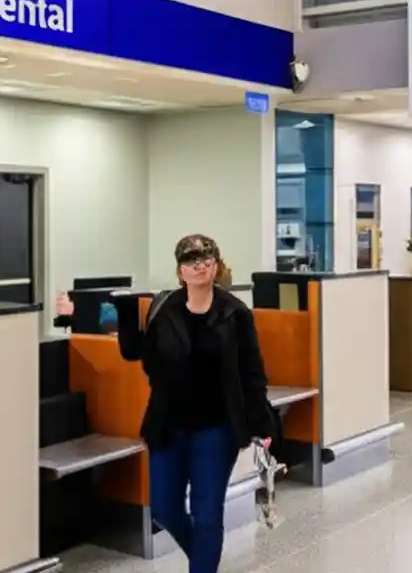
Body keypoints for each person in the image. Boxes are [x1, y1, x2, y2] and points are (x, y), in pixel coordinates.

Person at [118, 234, 275, 573]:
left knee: (206, 515)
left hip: (216, 430)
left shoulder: (235, 313)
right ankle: (204, 559)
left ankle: (203, 564)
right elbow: (145, 360)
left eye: (206, 259)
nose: (200, 265)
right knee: (163, 508)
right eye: (191, 261)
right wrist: (125, 318)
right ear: (181, 271)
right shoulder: (165, 308)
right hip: (168, 426)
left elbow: (252, 372)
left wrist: (263, 426)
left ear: (216, 265)